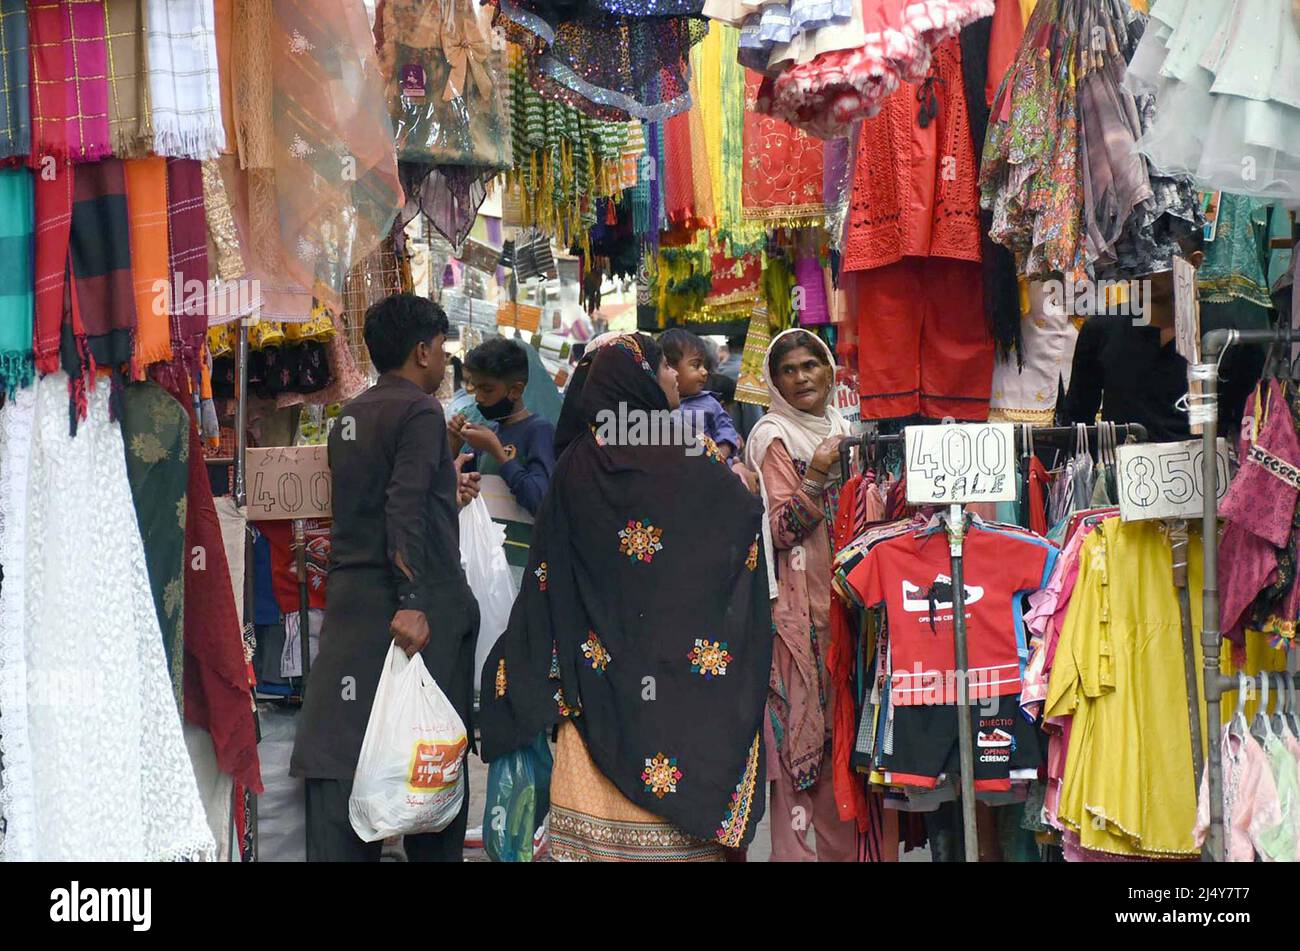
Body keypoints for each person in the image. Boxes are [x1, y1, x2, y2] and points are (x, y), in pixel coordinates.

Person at [479, 334, 773, 861]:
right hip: (683, 674)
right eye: (661, 366)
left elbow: (549, 574)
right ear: (637, 379)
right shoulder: (689, 451)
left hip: (598, 680)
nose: (670, 377)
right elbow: (741, 526)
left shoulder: (575, 464)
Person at [290, 293, 481, 862]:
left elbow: (379, 500)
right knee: (430, 752)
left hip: (355, 601)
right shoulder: (421, 410)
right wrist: (414, 599)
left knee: (345, 743)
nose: (444, 361)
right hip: (411, 606)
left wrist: (444, 484)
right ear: (422, 351)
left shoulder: (353, 413)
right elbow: (402, 507)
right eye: (442, 348)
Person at [744, 328, 857, 862]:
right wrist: (816, 475)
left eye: (810, 365)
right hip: (796, 613)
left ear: (829, 370)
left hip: (845, 604)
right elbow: (783, 528)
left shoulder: (844, 427)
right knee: (796, 747)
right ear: (774, 380)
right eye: (787, 370)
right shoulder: (774, 437)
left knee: (841, 743)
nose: (801, 378)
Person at [449, 336, 557, 517]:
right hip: (489, 543)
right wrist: (454, 444)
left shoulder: (539, 431)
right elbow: (462, 487)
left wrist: (498, 452)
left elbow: (540, 500)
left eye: (487, 389)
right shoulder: (489, 433)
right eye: (475, 388)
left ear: (515, 390)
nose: (479, 398)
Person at [659, 328, 744, 461]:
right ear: (669, 368)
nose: (704, 372)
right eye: (696, 365)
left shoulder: (710, 403)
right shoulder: (656, 405)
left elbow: (726, 431)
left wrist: (720, 455)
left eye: (703, 365)